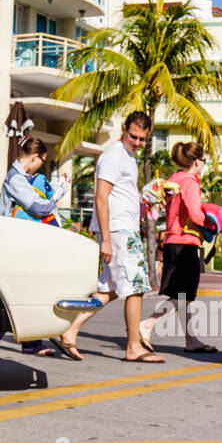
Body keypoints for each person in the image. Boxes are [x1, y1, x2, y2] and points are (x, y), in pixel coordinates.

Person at [53, 112, 162, 363]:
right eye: (133, 136)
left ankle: (70, 330)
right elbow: (101, 197)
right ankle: (133, 346)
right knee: (136, 286)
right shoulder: (114, 156)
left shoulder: (128, 156)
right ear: (124, 128)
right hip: (118, 231)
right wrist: (106, 240)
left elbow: (121, 195)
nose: (136, 142)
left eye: (142, 139)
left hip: (123, 229)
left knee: (111, 288)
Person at [141, 141, 216, 353]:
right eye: (203, 160)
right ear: (196, 162)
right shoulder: (190, 182)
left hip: (172, 241)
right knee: (183, 295)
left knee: (184, 296)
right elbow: (195, 214)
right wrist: (213, 222)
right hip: (186, 243)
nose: (203, 164)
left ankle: (191, 340)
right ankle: (148, 324)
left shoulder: (174, 179)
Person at [0, 137, 71, 356]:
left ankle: (31, 344)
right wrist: (58, 192)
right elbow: (38, 207)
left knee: (24, 293)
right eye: (42, 161)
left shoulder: (22, 178)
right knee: (11, 297)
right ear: (34, 157)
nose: (41, 166)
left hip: (18, 243)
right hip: (13, 243)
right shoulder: (16, 179)